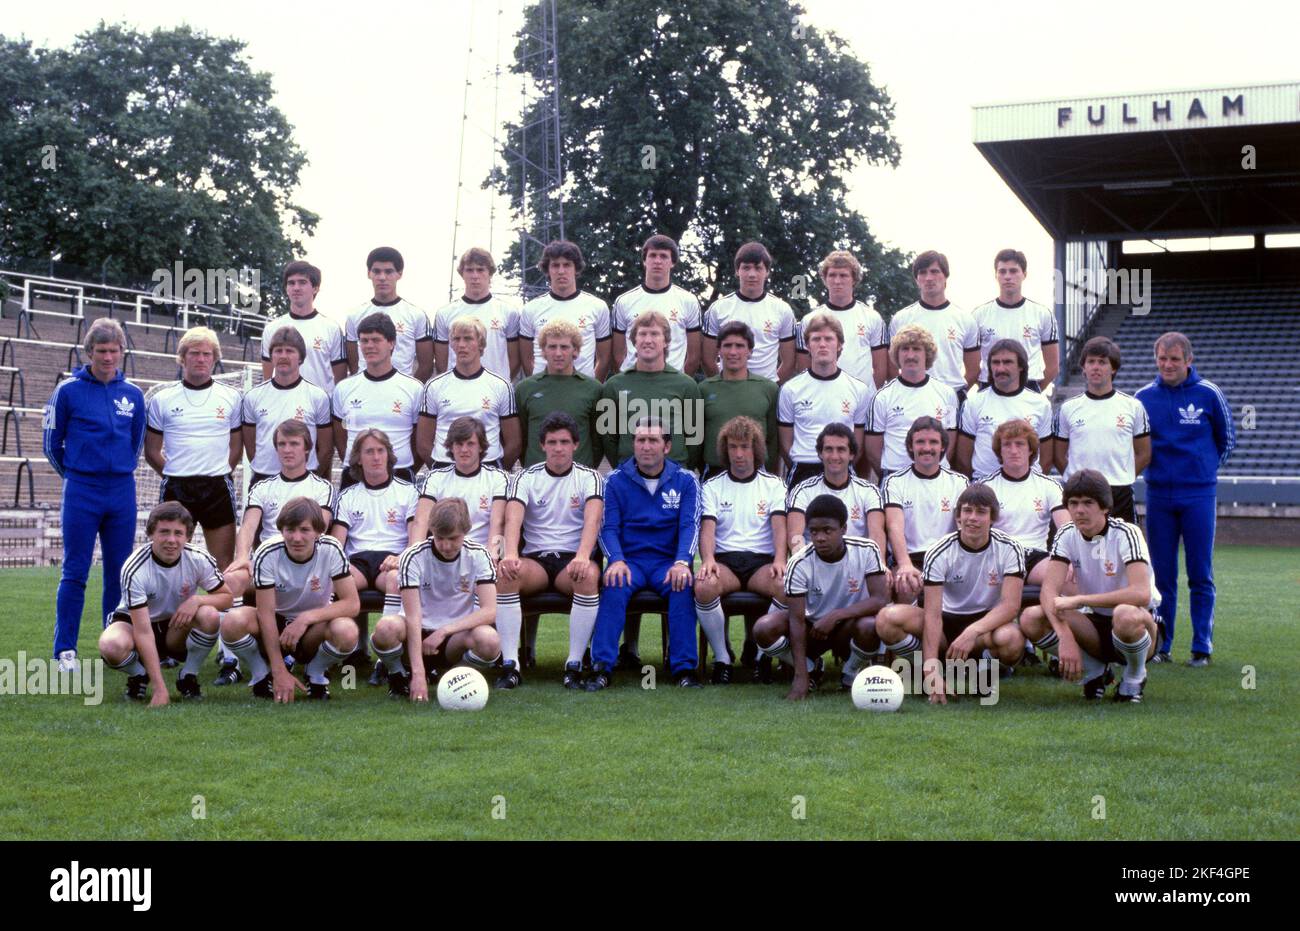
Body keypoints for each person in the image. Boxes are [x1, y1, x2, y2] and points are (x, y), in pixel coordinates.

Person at [43, 317, 146, 672]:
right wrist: (77, 474)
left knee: (119, 573)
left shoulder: (132, 395)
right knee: (75, 570)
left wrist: (114, 472)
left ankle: (111, 643)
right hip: (82, 491)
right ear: (88, 352)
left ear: (121, 352)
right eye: (101, 351)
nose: (107, 357)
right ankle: (65, 651)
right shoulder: (68, 391)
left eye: (114, 350)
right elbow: (51, 445)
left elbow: (135, 443)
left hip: (121, 491)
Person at [875, 485, 1026, 704]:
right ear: (958, 516)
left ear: (993, 517)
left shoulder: (1011, 548)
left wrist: (973, 631)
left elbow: (1010, 607)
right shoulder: (939, 551)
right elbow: (932, 615)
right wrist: (931, 670)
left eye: (981, 512)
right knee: (886, 619)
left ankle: (980, 673)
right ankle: (929, 673)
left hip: (984, 626)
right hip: (945, 624)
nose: (972, 518)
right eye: (967, 511)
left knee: (1011, 640)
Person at [1135, 332, 1234, 666]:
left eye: (1174, 359)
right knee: (1161, 576)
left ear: (1189, 361)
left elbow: (1227, 439)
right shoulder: (1143, 397)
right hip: (1159, 495)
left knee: (1200, 573)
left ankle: (1201, 647)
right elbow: (1138, 444)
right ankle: (1163, 645)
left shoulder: (1208, 393)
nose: (1167, 365)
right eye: (1162, 359)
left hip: (1199, 495)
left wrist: (1201, 471)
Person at [1019, 470, 1161, 701]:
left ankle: (1135, 676)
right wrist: (1064, 636)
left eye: (1088, 503)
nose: (1079, 510)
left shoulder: (1127, 533)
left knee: (1125, 614)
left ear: (1105, 507)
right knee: (1031, 617)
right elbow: (1049, 591)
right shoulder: (1066, 534)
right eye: (1073, 503)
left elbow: (1141, 594)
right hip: (1094, 624)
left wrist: (1081, 600)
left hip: (1139, 622)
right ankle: (1095, 671)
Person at [586, 418, 701, 690]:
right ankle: (602, 666)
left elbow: (689, 525)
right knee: (613, 582)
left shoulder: (686, 481)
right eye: (640, 440)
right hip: (630, 562)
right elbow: (608, 527)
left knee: (683, 585)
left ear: (667, 446)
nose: (646, 446)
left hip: (667, 563)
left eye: (653, 440)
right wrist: (615, 560)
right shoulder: (614, 480)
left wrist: (683, 562)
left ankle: (684, 669)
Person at [496, 412, 605, 689]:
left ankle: (574, 664)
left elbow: (592, 521)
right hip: (537, 560)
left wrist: (583, 556)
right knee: (506, 574)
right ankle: (511, 664)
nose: (559, 448)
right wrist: (510, 554)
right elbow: (513, 519)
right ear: (542, 445)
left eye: (565, 442)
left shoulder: (590, 477)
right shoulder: (525, 478)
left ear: (575, 445)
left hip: (572, 559)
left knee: (588, 576)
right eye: (552, 442)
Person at [219, 497, 360, 701]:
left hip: (314, 626)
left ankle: (316, 674)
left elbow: (352, 604)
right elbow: (265, 614)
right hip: (276, 622)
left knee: (347, 631)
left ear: (318, 531)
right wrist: (279, 670)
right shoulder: (267, 552)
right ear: (281, 530)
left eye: (304, 530)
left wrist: (305, 619)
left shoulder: (331, 548)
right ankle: (262, 675)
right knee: (232, 621)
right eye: (290, 530)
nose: (296, 537)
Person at [753, 495, 889, 699]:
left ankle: (850, 673)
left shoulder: (867, 549)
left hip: (848, 628)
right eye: (814, 531)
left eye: (828, 530)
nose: (820, 538)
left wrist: (836, 616)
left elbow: (880, 600)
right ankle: (810, 668)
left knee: (870, 626)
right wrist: (800, 677)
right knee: (763, 628)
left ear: (843, 529)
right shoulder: (799, 563)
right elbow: (796, 620)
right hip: (812, 629)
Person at [98, 502, 232, 704]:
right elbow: (143, 631)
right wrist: (160, 689)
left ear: (188, 536)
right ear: (150, 533)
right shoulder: (134, 567)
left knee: (210, 615)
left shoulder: (199, 558)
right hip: (135, 624)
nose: (171, 540)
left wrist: (197, 600)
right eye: (164, 532)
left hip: (175, 626)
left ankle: (188, 676)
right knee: (111, 646)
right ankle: (139, 675)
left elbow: (227, 597)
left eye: (178, 533)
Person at [371, 499, 502, 700]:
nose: (446, 545)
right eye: (440, 538)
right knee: (385, 628)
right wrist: (419, 674)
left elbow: (489, 611)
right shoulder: (413, 556)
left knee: (490, 640)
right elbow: (413, 617)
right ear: (431, 530)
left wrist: (443, 631)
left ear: (466, 531)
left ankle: (451, 681)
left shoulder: (479, 555)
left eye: (453, 538)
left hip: (453, 639)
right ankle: (398, 675)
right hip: (415, 635)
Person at [695, 416, 789, 684]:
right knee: (703, 586)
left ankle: (762, 656)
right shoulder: (712, 485)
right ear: (725, 450)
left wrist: (781, 559)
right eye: (733, 447)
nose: (738, 453)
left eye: (745, 446)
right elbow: (708, 529)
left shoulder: (773, 484)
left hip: (762, 562)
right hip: (726, 562)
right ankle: (722, 658)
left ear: (756, 449)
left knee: (786, 586)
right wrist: (708, 559)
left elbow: (779, 527)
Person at [144, 326, 243, 572]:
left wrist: (218, 470)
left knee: (224, 565)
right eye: (194, 353)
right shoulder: (162, 399)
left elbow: (237, 445)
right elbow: (152, 451)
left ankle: (224, 611)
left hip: (217, 487)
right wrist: (175, 472)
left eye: (206, 354)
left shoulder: (231, 397)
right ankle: (169, 611)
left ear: (214, 358)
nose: (200, 359)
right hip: (177, 487)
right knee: (169, 561)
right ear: (182, 357)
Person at [224, 420, 336, 614]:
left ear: (307, 448)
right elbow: (249, 526)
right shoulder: (262, 487)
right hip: (268, 560)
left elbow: (320, 528)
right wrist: (242, 556)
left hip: (306, 562)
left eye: (294, 444)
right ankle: (229, 639)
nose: (287, 449)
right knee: (232, 579)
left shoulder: (322, 487)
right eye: (282, 444)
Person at [330, 430, 420, 639]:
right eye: (369, 452)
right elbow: (335, 543)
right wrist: (338, 567)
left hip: (392, 560)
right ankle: (348, 647)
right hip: (358, 562)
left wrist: (401, 558)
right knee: (333, 580)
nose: (376, 457)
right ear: (358, 459)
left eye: (381, 451)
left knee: (397, 579)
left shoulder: (408, 492)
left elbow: (415, 538)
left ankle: (386, 646)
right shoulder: (348, 496)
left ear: (388, 455)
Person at [1055, 336, 1150, 523]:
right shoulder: (1068, 408)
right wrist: (1078, 481)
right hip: (1080, 494)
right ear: (1084, 367)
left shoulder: (1133, 406)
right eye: (1091, 362)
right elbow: (1059, 456)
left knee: (1123, 550)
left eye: (1102, 362)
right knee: (1079, 549)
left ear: (1113, 368)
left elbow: (1144, 453)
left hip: (1119, 492)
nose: (1096, 367)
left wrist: (1123, 475)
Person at [599, 310, 703, 469]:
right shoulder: (614, 385)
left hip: (675, 476)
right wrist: (624, 467)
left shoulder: (687, 385)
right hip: (628, 476)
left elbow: (695, 438)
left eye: (654, 334)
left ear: (666, 341)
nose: (648, 340)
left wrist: (683, 468)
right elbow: (608, 438)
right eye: (642, 334)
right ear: (634, 340)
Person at [777, 311, 872, 486]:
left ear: (839, 345)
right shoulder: (790, 389)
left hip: (842, 470)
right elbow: (785, 444)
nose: (822, 345)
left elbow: (857, 444)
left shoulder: (859, 390)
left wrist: (840, 465)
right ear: (807, 345)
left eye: (828, 339)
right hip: (802, 469)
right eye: (816, 339)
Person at [881, 417, 970, 604]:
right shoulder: (894, 482)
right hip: (912, 558)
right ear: (911, 446)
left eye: (933, 442)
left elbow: (964, 528)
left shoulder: (959, 482)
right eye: (920, 442)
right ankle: (912, 633)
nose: (927, 447)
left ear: (943, 447)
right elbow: (894, 527)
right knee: (906, 584)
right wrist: (904, 564)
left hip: (949, 559)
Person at [331, 312, 423, 488]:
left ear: (391, 343)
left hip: (400, 472)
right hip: (354, 475)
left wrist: (404, 466)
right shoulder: (344, 388)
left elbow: (419, 440)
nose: (369, 346)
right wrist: (358, 461)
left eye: (375, 340)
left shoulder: (413, 388)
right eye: (364, 341)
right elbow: (340, 436)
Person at [417, 317, 520, 470]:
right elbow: (423, 443)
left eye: (468, 339)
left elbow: (514, 443)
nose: (462, 345)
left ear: (481, 344)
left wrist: (496, 471)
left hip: (488, 470)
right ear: (451, 345)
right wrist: (440, 470)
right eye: (456, 339)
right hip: (445, 469)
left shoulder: (501, 386)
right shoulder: (434, 386)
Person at [977, 420, 1068, 586]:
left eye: (1020, 444)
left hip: (1036, 558)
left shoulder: (1049, 486)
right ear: (1000, 451)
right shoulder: (985, 487)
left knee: (1068, 576)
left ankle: (1039, 611)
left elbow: (1067, 529)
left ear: (1031, 449)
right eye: (1007, 445)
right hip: (997, 558)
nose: (1013, 451)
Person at [864, 324, 958, 482]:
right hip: (895, 476)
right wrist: (892, 478)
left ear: (927, 354)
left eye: (916, 349)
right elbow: (873, 450)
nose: (910, 355)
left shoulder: (947, 394)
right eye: (905, 349)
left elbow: (950, 438)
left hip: (937, 478)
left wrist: (932, 468)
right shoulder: (882, 397)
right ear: (896, 354)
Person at [241, 326, 332, 484]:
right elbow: (251, 447)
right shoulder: (253, 397)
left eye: (290, 351)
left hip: (304, 480)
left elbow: (325, 448)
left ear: (301, 357)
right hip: (264, 479)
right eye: (278, 351)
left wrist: (311, 477)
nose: (283, 356)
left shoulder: (318, 397)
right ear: (271, 356)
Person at [952, 339, 1052, 480]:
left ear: (1021, 366)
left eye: (1007, 362)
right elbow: (963, 459)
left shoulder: (1040, 404)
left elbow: (1046, 460)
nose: (1000, 369)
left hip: (1027, 488)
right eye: (995, 363)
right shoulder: (973, 402)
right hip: (984, 487)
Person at [786, 424, 886, 559]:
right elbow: (795, 535)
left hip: (856, 566)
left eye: (841, 450)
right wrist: (803, 563)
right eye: (828, 449)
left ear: (851, 454)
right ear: (820, 453)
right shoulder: (802, 491)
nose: (834, 456)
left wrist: (879, 566)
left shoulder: (869, 491)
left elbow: (876, 534)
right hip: (815, 564)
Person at [700, 242, 796, 382]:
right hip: (727, 388)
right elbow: (707, 359)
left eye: (758, 268)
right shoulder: (718, 308)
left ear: (767, 272)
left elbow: (789, 362)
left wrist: (771, 388)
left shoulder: (782, 310)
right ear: (737, 271)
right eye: (746, 268)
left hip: (767, 392)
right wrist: (721, 384)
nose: (752, 274)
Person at [887, 251, 979, 396]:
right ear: (917, 279)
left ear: (945, 276)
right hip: (911, 396)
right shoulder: (901, 318)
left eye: (935, 272)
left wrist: (955, 396)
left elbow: (974, 369)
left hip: (952, 397)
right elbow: (892, 365)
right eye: (923, 273)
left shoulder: (965, 319)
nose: (929, 278)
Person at [514, 320, 604, 468]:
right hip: (536, 480)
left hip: (579, 479)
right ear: (543, 351)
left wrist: (585, 470)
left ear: (575, 350)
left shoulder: (594, 389)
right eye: (552, 347)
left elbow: (598, 441)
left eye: (564, 347)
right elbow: (521, 439)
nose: (558, 353)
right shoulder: (525, 389)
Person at [519, 240, 611, 380]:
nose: (561, 271)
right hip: (543, 392)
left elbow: (604, 358)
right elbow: (526, 358)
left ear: (576, 268)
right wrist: (537, 385)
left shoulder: (597, 306)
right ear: (548, 270)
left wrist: (591, 387)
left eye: (567, 265)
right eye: (555, 265)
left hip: (582, 393)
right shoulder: (531, 309)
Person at [611, 234, 702, 376]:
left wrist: (680, 380)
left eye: (664, 256)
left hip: (673, 384)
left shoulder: (688, 301)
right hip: (634, 383)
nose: (657, 261)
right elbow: (617, 356)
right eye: (652, 255)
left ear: (672, 262)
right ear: (644, 261)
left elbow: (694, 357)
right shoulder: (624, 301)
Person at [699, 321, 780, 480]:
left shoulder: (769, 389)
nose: (733, 352)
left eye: (740, 346)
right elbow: (694, 439)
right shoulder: (703, 389)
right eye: (727, 346)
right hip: (714, 473)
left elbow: (773, 439)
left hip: (756, 474)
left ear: (750, 351)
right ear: (719, 351)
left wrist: (769, 472)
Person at [412, 420, 507, 554]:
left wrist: (494, 558)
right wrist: (414, 555)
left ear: (481, 447)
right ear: (451, 447)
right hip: (444, 554)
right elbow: (420, 522)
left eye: (470, 444)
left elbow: (498, 523)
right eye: (459, 444)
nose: (464, 450)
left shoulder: (498, 478)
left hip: (482, 555)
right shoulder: (435, 478)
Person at [794, 250, 887, 387]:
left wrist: (867, 396)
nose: (837, 281)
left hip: (862, 402)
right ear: (825, 279)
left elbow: (880, 368)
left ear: (854, 279)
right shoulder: (809, 320)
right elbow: (803, 368)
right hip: (822, 397)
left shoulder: (872, 318)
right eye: (832, 275)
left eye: (843, 275)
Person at [972, 249, 1058, 390]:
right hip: (990, 387)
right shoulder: (978, 315)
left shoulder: (1042, 314)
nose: (1007, 277)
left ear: (1024, 274)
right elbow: (972, 366)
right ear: (996, 275)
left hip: (1028, 386)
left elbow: (1053, 367)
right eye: (1002, 271)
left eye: (1013, 271)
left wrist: (1032, 393)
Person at [432, 247, 520, 381]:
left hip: (495, 391)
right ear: (462, 274)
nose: (475, 276)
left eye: (480, 270)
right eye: (469, 270)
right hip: (455, 388)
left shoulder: (508, 312)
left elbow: (514, 360)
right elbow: (441, 363)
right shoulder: (445, 313)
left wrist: (499, 382)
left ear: (490, 274)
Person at [344, 246, 433, 381]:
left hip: (401, 396)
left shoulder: (416, 315)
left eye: (389, 272)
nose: (382, 277)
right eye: (377, 271)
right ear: (369, 273)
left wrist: (407, 389)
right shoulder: (354, 316)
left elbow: (426, 365)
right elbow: (354, 364)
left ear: (400, 274)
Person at [261, 260, 347, 393]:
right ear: (286, 289)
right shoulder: (271, 328)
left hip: (320, 409)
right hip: (282, 406)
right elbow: (267, 379)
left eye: (302, 282)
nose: (296, 287)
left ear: (315, 288)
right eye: (291, 283)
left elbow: (340, 380)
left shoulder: (331, 328)